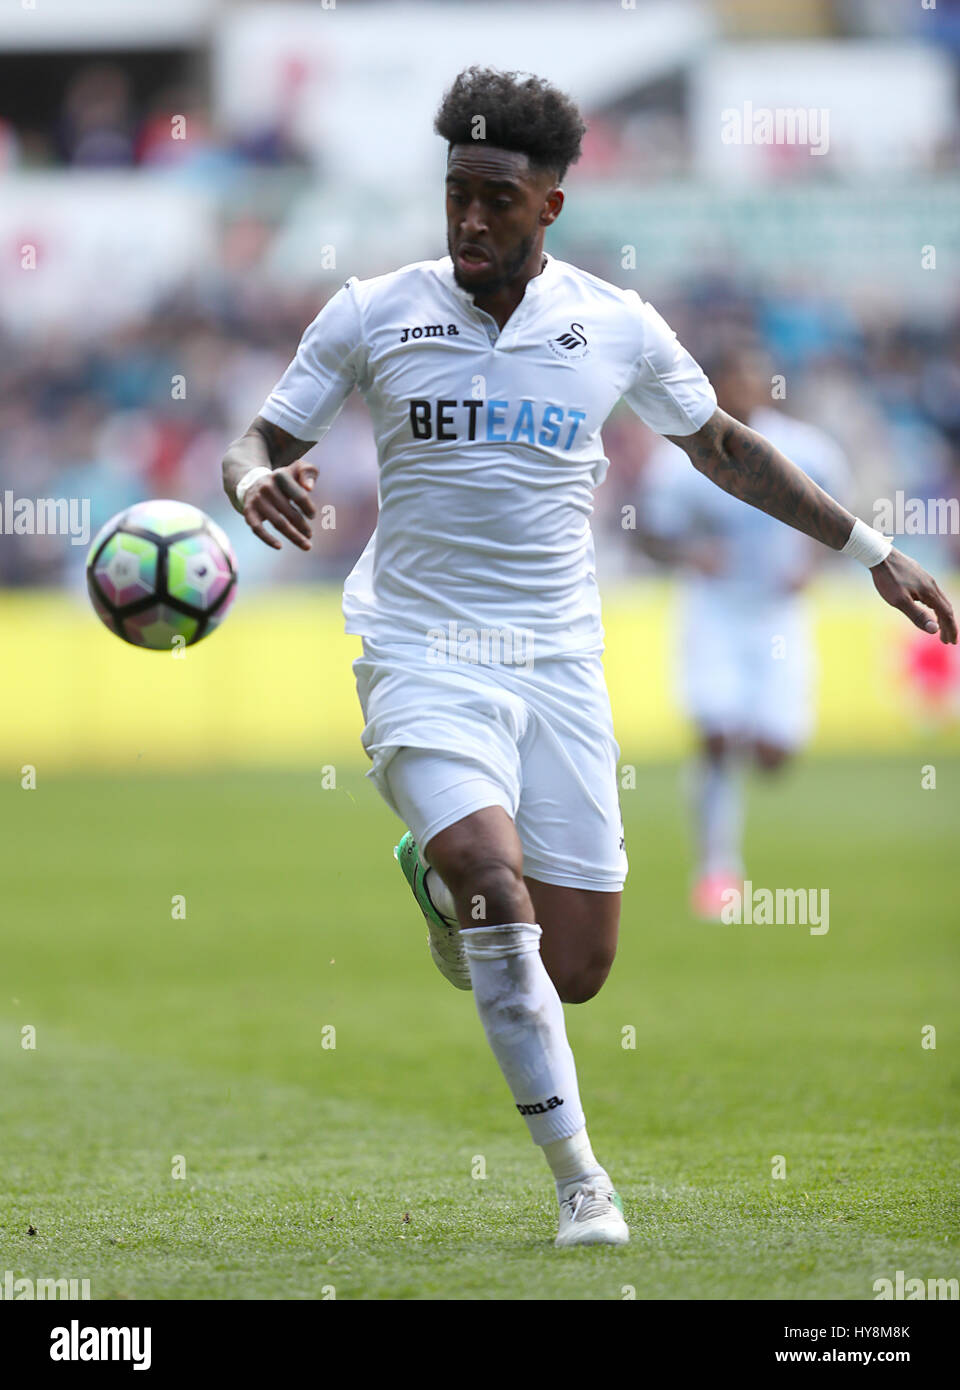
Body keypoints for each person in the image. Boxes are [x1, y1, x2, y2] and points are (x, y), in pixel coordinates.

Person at [221, 67, 956, 1248]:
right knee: (500, 892)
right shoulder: (370, 310)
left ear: (548, 206)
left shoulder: (614, 324)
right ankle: (583, 1184)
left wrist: (870, 547)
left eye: (495, 200)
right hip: (419, 648)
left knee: (580, 967)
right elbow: (260, 434)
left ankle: (438, 877)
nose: (468, 218)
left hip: (557, 663)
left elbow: (719, 443)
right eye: (455, 193)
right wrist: (256, 477)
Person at [637, 342, 849, 917]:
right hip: (714, 612)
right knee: (715, 732)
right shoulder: (682, 457)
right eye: (732, 380)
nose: (743, 390)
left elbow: (843, 519)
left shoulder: (807, 449)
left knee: (775, 752)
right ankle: (716, 868)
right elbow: (648, 532)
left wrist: (811, 562)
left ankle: (740, 751)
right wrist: (689, 554)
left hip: (779, 616)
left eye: (753, 379)